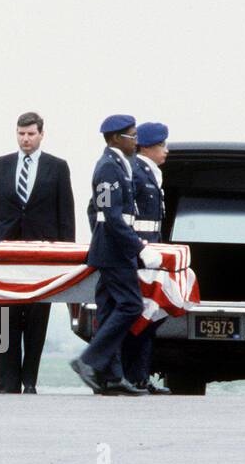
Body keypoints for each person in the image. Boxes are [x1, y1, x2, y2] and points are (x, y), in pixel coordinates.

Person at [0, 112, 75, 393]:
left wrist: (66, 258)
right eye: (21, 133)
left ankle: (29, 380)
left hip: (42, 259)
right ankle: (6, 384)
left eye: (31, 134)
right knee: (5, 320)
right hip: (5, 257)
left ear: (42, 134)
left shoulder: (57, 167)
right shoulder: (0, 165)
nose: (26, 139)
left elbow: (66, 215)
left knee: (36, 319)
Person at [70, 115, 162, 395]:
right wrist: (139, 248)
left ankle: (111, 376)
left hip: (115, 248)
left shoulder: (119, 166)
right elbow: (109, 216)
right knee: (131, 306)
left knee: (110, 309)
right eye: (131, 136)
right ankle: (88, 360)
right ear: (114, 139)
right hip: (114, 251)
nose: (136, 140)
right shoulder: (108, 168)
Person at [121, 122, 171, 394]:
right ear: (147, 147)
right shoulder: (136, 173)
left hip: (152, 254)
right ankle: (131, 375)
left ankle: (139, 376)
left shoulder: (150, 173)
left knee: (150, 316)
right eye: (161, 145)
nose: (166, 150)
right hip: (139, 255)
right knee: (138, 318)